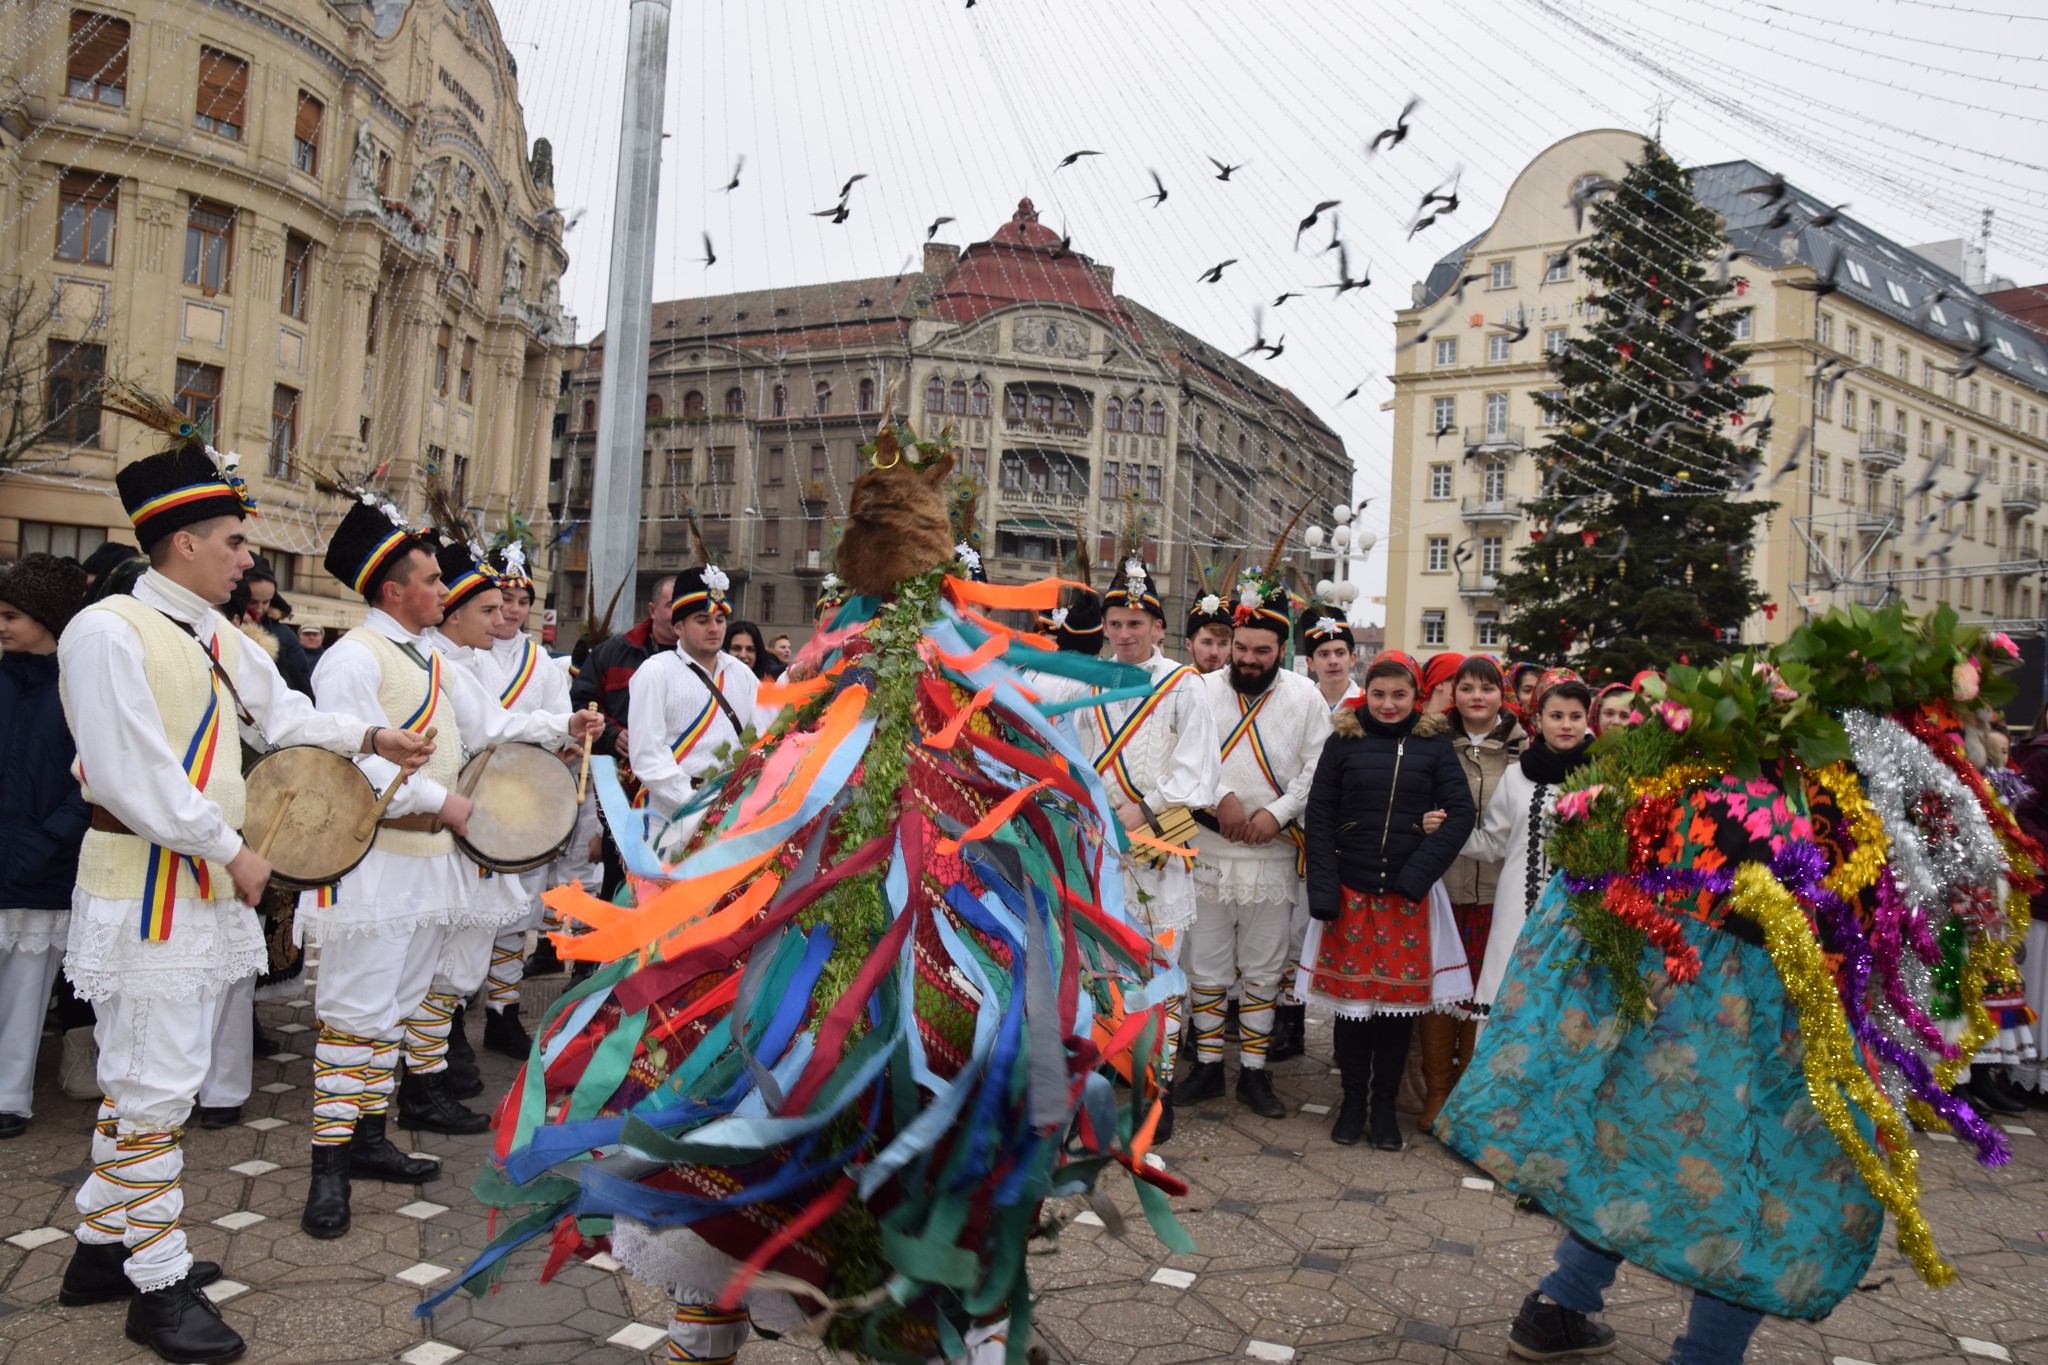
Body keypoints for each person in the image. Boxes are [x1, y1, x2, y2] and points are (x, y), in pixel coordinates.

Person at [56, 437, 430, 1362]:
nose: (247, 559)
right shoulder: (105, 630)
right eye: (232, 540)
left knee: (148, 1076)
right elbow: (130, 771)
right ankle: (157, 1282)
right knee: (154, 1086)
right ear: (182, 542)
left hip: (198, 884)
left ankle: (104, 1250)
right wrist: (234, 850)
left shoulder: (221, 637)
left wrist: (372, 735)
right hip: (147, 884)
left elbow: (289, 719)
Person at [303, 497, 601, 1240]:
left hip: (430, 861)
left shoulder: (432, 656)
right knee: (353, 1014)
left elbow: (492, 725)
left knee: (396, 1005)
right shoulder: (352, 658)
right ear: (392, 588)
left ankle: (369, 1136)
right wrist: (447, 800)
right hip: (375, 862)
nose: (448, 591)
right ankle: (327, 1165)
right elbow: (351, 763)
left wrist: (563, 723)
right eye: (433, 580)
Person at [1055, 556, 1220, 1140]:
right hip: (1095, 846)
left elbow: (1199, 771)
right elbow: (1060, 753)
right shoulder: (1084, 680)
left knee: (1157, 970)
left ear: (1157, 628)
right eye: (1116, 623)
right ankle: (1096, 1084)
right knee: (1095, 967)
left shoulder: (1183, 687)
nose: (1125, 634)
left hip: (1157, 846)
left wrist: (1146, 808)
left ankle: (1156, 1090)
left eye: (1136, 624)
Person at [1300, 651, 1475, 1149]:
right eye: (1378, 694)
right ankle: (1353, 1102)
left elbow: (1460, 814)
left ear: (1415, 697)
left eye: (1399, 695)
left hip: (1406, 896)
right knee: (1353, 1009)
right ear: (1366, 695)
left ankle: (1383, 1108)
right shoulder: (1343, 742)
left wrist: (1418, 873)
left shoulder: (1434, 745)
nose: (1388, 704)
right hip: (1351, 892)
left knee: (1396, 1012)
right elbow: (1320, 816)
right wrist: (1324, 889)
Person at [1175, 571, 1332, 1120]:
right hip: (1210, 848)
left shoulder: (1308, 696)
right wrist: (1221, 797)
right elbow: (1185, 753)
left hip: (1275, 850)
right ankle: (1210, 1067)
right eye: (1240, 648)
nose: (1245, 659)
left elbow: (1317, 767)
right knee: (1207, 963)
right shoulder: (1199, 689)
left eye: (1260, 651)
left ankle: (1257, 1074)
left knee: (1264, 968)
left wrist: (1278, 812)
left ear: (1282, 650)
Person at [0, 554, 90, 1141]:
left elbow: (93, 776)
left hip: (45, 859)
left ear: (48, 617)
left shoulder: (77, 686)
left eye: (12, 614)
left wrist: (50, 836)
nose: (2, 624)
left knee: (28, 984)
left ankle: (9, 1095)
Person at [479, 542, 577, 1053]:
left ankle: (504, 1010)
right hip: (475, 796)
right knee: (472, 909)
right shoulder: (464, 652)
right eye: (503, 596)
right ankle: (447, 1021)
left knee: (520, 910)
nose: (513, 609)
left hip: (529, 794)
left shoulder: (543, 662)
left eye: (522, 598)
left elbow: (560, 730)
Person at [1418, 655, 1524, 1130]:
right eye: (1467, 688)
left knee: (1487, 993)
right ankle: (1437, 1094)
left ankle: (1470, 1094)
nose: (1477, 697)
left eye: (1487, 688)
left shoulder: (1525, 751)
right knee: (1442, 993)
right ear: (1452, 694)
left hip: (1500, 894)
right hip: (1442, 887)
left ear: (1503, 694)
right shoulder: (1430, 742)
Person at [1459, 669, 1594, 1016]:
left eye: (1575, 716)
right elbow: (1493, 843)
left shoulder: (1605, 776)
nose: (1566, 725)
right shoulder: (1517, 775)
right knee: (1510, 997)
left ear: (1587, 720)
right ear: (1538, 719)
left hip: (1585, 913)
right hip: (1518, 907)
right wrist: (1446, 832)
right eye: (1556, 716)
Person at [625, 563, 761, 826]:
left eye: (720, 620)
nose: (714, 628)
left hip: (731, 814)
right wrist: (695, 806)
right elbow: (648, 755)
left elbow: (764, 733)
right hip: (671, 819)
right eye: (702, 620)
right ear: (678, 627)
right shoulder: (656, 671)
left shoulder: (742, 674)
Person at [1302, 609, 1361, 711]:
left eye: (1340, 653)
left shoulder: (1367, 705)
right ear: (1310, 663)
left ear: (1352, 658)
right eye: (1324, 654)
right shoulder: (1301, 707)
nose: (1333, 661)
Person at [1184, 592, 1234, 675]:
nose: (1214, 652)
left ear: (1231, 648)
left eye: (1223, 644)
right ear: (1189, 644)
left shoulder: (1240, 687)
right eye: (1207, 642)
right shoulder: (1175, 684)